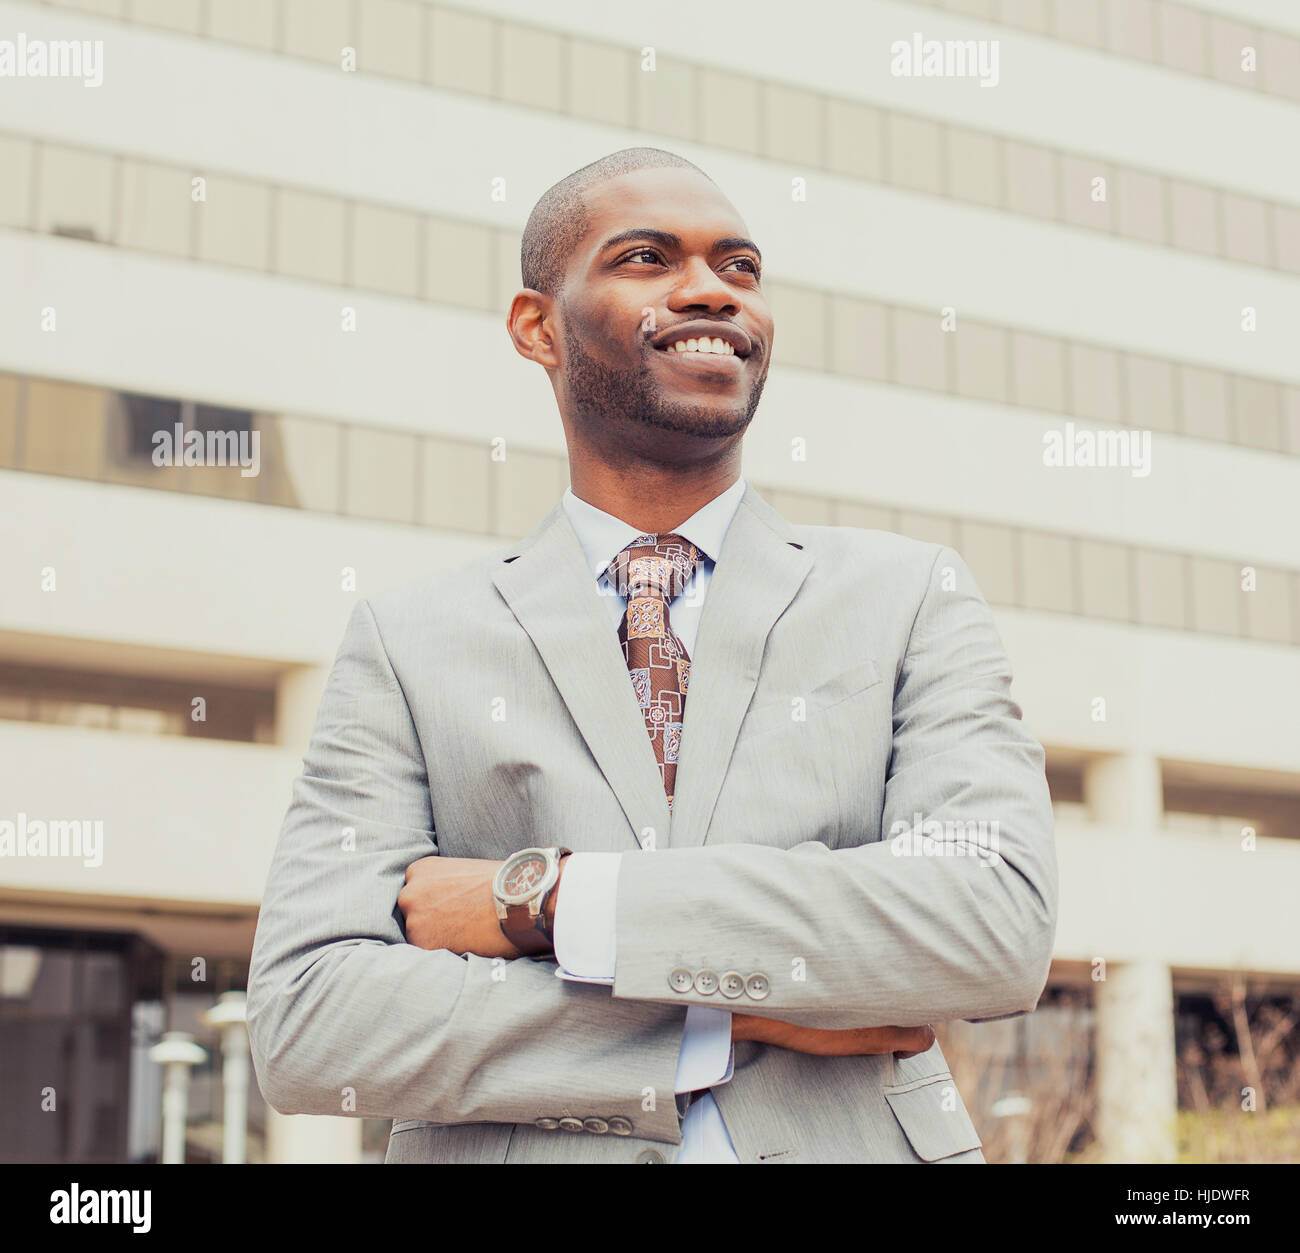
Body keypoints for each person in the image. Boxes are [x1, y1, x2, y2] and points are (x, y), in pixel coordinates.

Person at [246, 146, 1058, 1164]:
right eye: (645, 257)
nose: (710, 290)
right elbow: (311, 1021)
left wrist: (543, 900)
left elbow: (988, 920)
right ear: (535, 326)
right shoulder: (409, 640)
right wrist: (728, 1013)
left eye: (741, 267)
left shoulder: (908, 595)